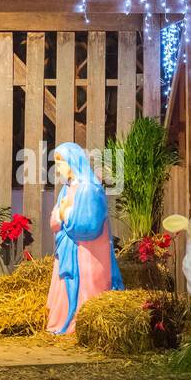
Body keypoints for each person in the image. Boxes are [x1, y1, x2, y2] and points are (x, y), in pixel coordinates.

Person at [46, 142, 123, 334]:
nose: (59, 168)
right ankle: (64, 322)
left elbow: (89, 225)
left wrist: (65, 214)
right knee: (65, 288)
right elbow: (54, 219)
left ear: (73, 161)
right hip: (69, 250)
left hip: (88, 252)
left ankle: (83, 325)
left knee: (88, 287)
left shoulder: (90, 189)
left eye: (61, 162)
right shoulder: (67, 188)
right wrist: (61, 215)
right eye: (57, 163)